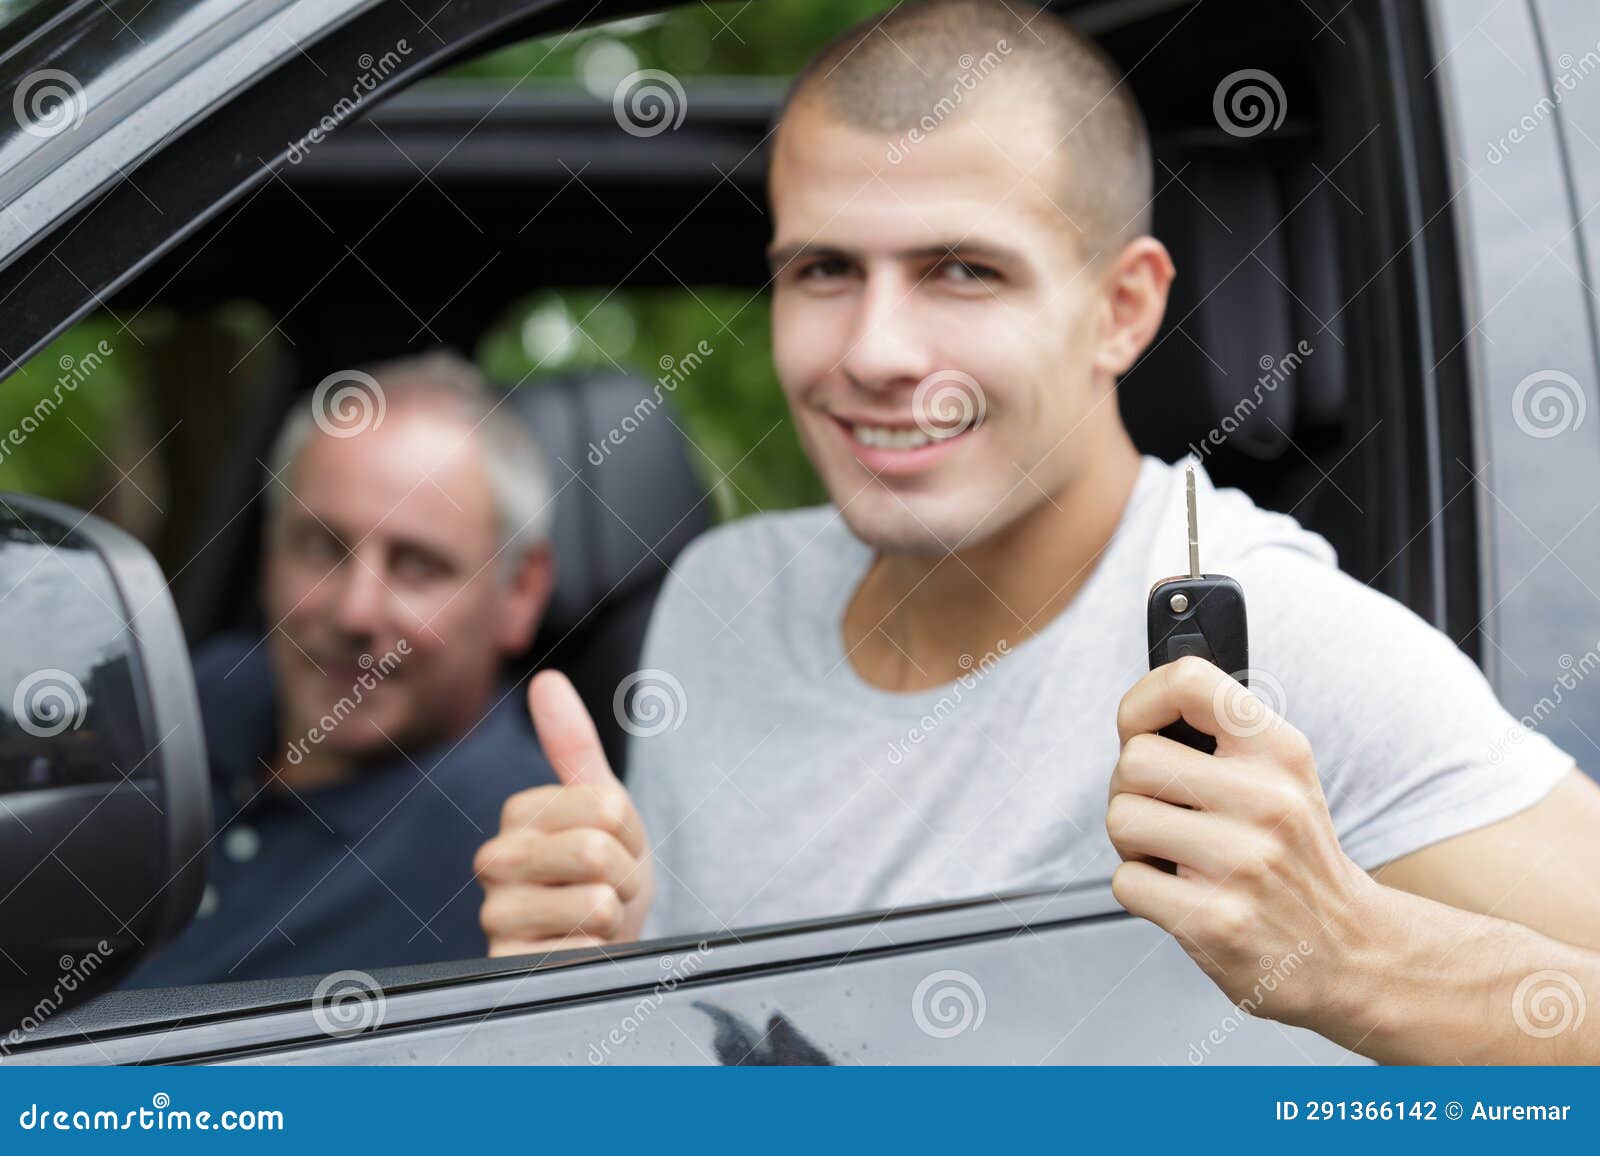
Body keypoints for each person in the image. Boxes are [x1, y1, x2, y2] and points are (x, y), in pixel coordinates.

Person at [472, 0, 1600, 1062]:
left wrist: (1349, 950)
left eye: (962, 270)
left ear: (1122, 308)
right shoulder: (723, 595)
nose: (874, 351)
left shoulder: (1275, 643)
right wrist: (606, 977)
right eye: (823, 269)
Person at [126, 351, 556, 986]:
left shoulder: (525, 868)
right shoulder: (203, 693)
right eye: (321, 547)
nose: (356, 611)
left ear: (518, 593)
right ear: (268, 554)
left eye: (417, 565)